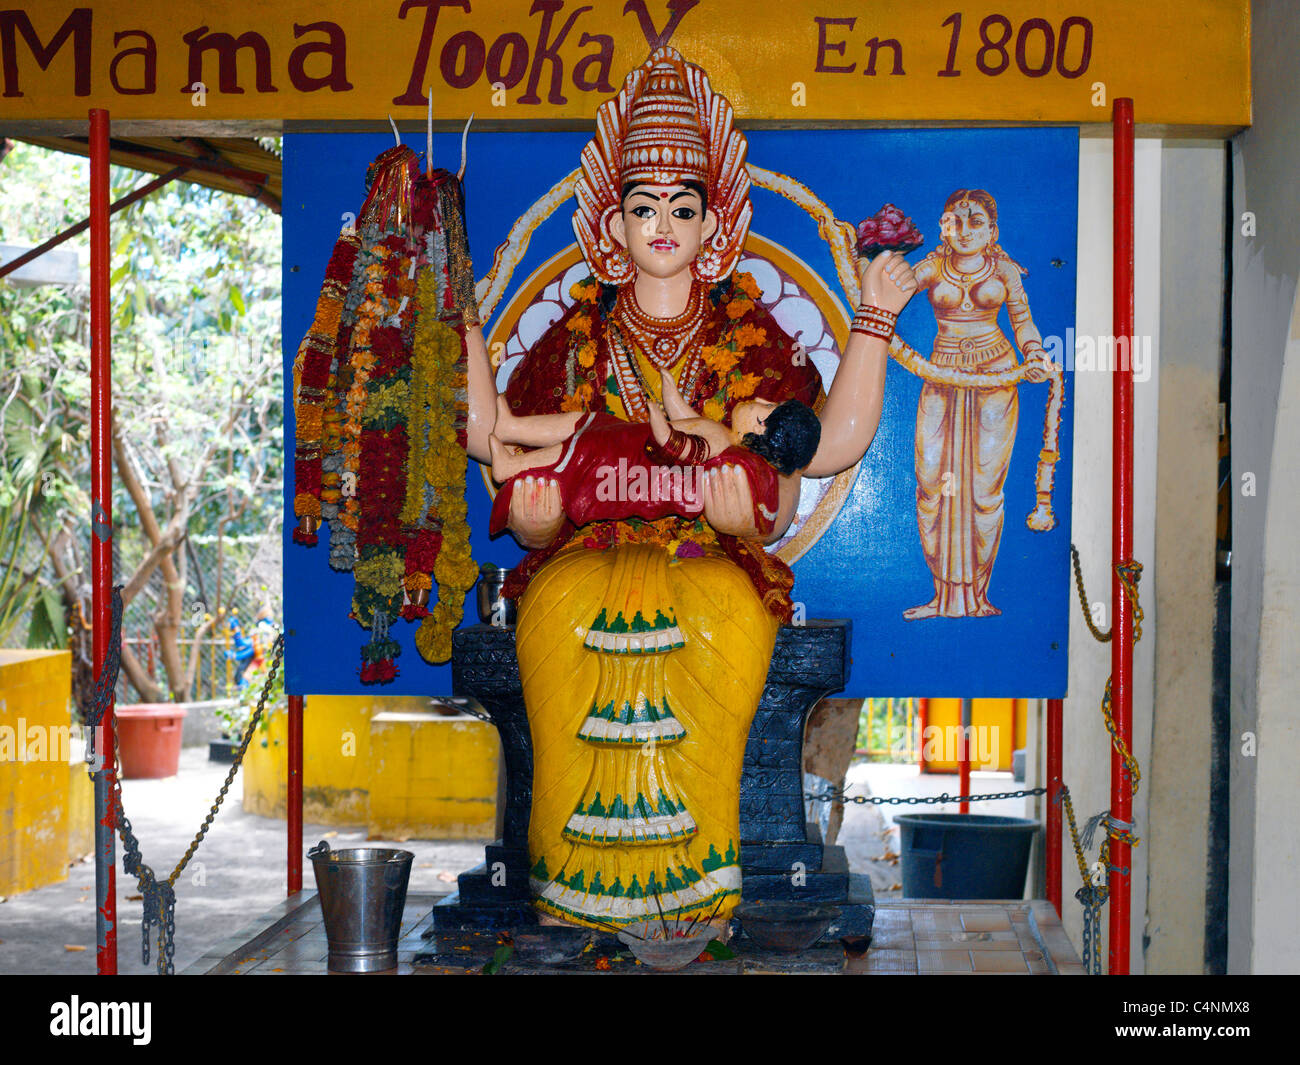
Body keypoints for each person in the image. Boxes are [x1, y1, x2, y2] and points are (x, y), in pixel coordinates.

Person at [462, 47, 914, 931]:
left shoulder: (748, 334)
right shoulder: (574, 336)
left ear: (717, 220)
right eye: (642, 206)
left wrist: (875, 319)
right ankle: (571, 885)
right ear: (611, 224)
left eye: (682, 205)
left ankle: (704, 883)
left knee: (715, 612)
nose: (662, 223)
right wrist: (472, 335)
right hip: (586, 559)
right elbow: (497, 444)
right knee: (559, 618)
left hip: (715, 558)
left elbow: (824, 449)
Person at [905, 189, 1050, 619]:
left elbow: (1023, 321)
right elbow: (886, 299)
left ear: (993, 231)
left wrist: (1035, 353)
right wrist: (871, 260)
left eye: (976, 223)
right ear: (942, 228)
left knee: (984, 491)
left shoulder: (1004, 271)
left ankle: (977, 595)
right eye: (955, 221)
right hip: (942, 375)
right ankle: (942, 595)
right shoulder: (931, 269)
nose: (965, 231)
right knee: (933, 484)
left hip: (995, 376)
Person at [485, 384, 822, 537]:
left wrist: (657, 423)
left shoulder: (722, 443)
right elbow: (691, 423)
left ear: (761, 431)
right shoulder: (721, 434)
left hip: (629, 460)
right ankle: (513, 426)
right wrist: (671, 395)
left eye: (765, 407)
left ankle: (511, 466)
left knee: (579, 449)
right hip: (632, 442)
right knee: (584, 422)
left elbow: (682, 448)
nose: (759, 399)